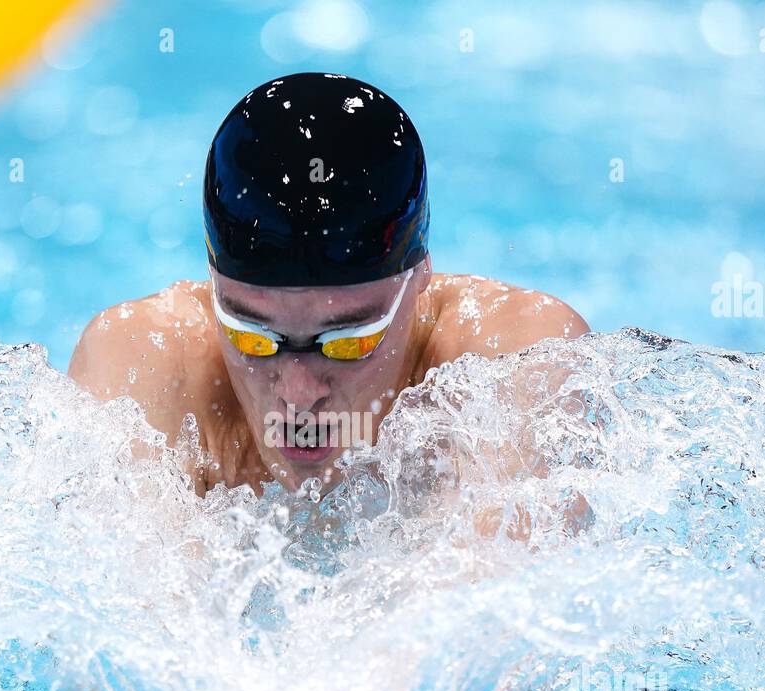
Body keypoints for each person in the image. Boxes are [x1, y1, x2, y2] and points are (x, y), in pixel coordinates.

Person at [68, 71, 587, 497]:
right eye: (254, 338)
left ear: (421, 272)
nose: (298, 395)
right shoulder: (143, 361)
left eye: (347, 343)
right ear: (213, 285)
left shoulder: (514, 363)